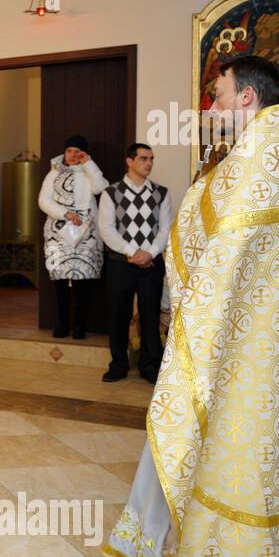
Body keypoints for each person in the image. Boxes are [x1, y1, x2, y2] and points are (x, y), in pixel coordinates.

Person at [91, 55, 279, 557]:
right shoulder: (273, 154)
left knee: (187, 436)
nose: (211, 106)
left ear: (247, 98)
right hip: (258, 342)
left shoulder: (259, 160)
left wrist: (189, 317)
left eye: (218, 95)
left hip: (231, 337)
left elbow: (229, 255)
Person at [97, 143, 173, 383]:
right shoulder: (111, 193)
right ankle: (118, 364)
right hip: (121, 263)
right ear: (129, 162)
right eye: (143, 158)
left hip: (151, 265)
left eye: (151, 159)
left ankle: (149, 366)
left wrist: (148, 254)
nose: (149, 163)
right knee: (118, 315)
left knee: (150, 317)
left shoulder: (162, 193)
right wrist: (133, 252)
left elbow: (165, 229)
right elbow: (106, 230)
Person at [39, 135, 108, 339]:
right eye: (69, 151)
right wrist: (65, 213)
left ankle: (80, 326)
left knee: (83, 282)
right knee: (60, 281)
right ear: (64, 152)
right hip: (58, 233)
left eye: (77, 152)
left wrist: (88, 163)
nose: (72, 155)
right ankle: (61, 324)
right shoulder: (53, 173)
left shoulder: (88, 171)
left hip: (86, 235)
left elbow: (101, 187)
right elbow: (43, 200)